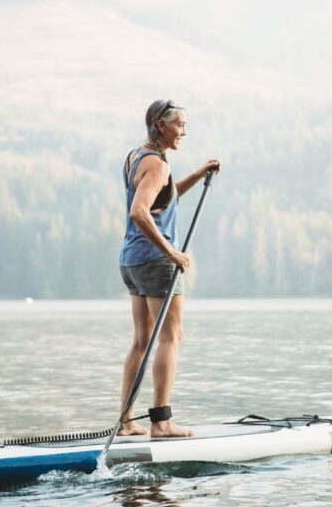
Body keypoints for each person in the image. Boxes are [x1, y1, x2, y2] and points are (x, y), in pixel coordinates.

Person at [118, 99, 221, 438]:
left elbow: (165, 198)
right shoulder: (158, 165)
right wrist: (172, 252)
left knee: (141, 341)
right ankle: (161, 422)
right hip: (155, 261)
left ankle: (128, 421)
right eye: (180, 125)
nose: (184, 132)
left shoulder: (137, 157)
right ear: (161, 125)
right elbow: (140, 211)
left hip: (132, 260)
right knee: (171, 336)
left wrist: (196, 174)